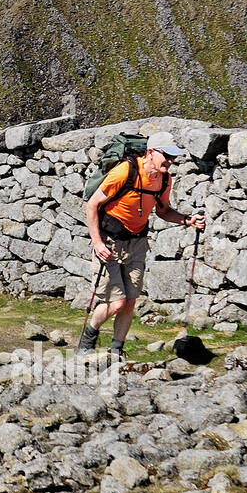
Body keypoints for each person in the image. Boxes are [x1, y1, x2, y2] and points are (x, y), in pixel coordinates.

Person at [77, 131, 205, 357]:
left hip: (137, 243)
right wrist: (97, 243)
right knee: (116, 303)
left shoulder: (164, 180)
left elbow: (163, 211)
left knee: (129, 302)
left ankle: (116, 351)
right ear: (151, 152)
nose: (170, 161)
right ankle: (88, 339)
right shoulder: (125, 171)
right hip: (109, 242)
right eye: (167, 155)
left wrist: (187, 220)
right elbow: (92, 204)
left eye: (173, 157)